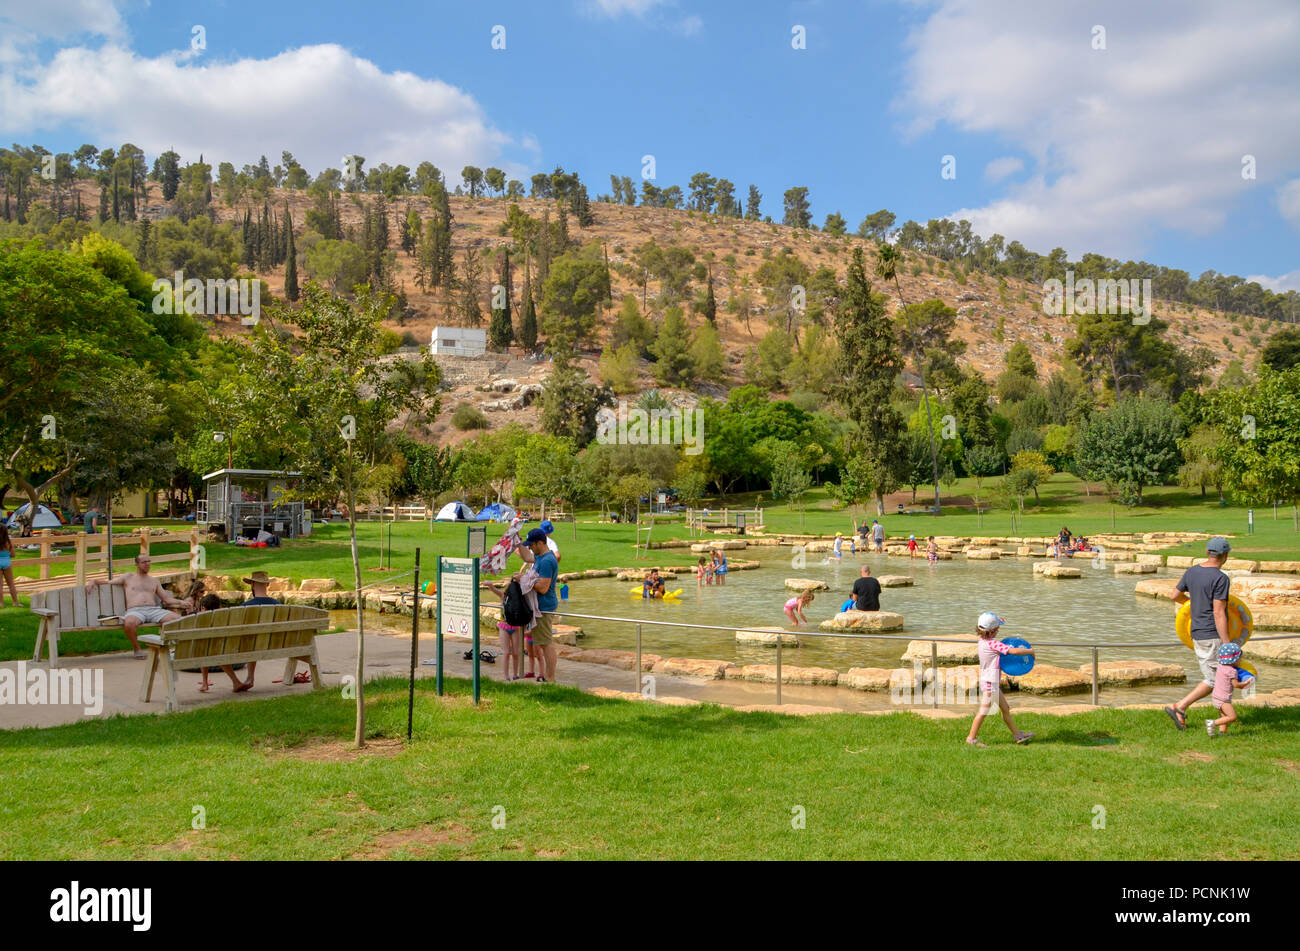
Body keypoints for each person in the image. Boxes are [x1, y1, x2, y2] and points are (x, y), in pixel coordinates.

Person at [1165, 537, 1238, 731]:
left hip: (1197, 632)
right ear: (1226, 556)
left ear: (1207, 552)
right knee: (1215, 680)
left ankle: (1223, 727)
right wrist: (1227, 642)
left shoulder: (1192, 571)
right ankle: (1179, 707)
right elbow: (1218, 612)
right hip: (1212, 634)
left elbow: (1174, 596)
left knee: (1218, 679)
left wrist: (1192, 603)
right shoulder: (1221, 578)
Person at [86, 553, 189, 657]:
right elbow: (108, 582)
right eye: (144, 562)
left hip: (154, 610)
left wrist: (181, 602)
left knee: (179, 620)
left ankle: (175, 648)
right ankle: (137, 649)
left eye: (149, 561)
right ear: (137, 564)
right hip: (135, 611)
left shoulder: (154, 581)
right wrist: (93, 581)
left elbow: (166, 599)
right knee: (129, 623)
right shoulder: (128, 577)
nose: (147, 564)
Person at [966, 612, 1036, 747]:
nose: (998, 630)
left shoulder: (982, 641)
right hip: (990, 685)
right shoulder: (993, 644)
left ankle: (1017, 735)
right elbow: (1014, 651)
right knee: (983, 712)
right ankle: (971, 739)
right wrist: (1030, 651)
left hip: (991, 683)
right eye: (997, 628)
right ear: (992, 630)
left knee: (1005, 709)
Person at [241, 570, 292, 689]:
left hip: (251, 646)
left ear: (252, 584)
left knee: (251, 639)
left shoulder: (245, 607)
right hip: (277, 644)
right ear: (268, 584)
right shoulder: (278, 605)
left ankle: (250, 677)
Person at [520, 528, 559, 682]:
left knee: (546, 644)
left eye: (532, 544)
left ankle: (550, 678)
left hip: (544, 607)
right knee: (543, 643)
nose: (530, 547)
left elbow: (543, 587)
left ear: (541, 543)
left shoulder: (548, 561)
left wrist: (523, 580)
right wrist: (516, 540)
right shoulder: (539, 557)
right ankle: (549, 677)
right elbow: (525, 555)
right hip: (538, 607)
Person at [1207, 642, 1251, 737]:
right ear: (1234, 659)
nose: (1241, 660)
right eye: (1239, 658)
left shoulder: (1220, 666)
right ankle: (1212, 723)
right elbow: (1236, 685)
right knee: (1232, 717)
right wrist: (1246, 683)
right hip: (1224, 699)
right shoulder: (1232, 671)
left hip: (1216, 695)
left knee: (1224, 716)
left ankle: (1222, 733)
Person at [0, 523, 19, 608]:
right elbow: (13, 554)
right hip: (7, 563)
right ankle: (15, 602)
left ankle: (1, 603)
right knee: (11, 584)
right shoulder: (8, 542)